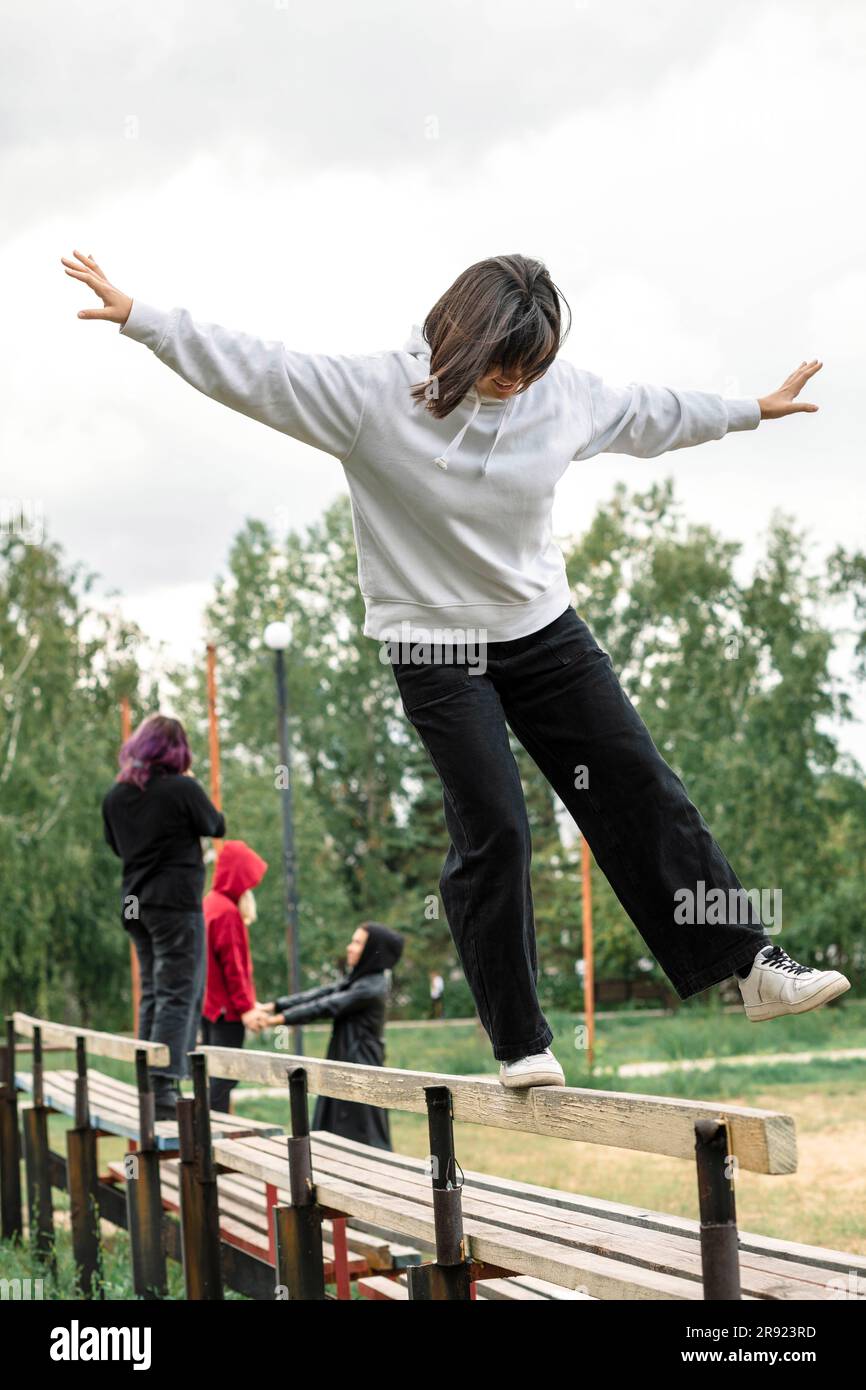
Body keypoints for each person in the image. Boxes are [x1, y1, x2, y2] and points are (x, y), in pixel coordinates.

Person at [69, 250, 850, 1091]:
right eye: (503, 366)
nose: (516, 383)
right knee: (496, 823)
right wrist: (142, 316)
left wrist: (747, 411)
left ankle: (748, 967)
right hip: (434, 643)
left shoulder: (564, 396)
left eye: (532, 367)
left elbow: (650, 413)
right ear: (460, 340)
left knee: (637, 778)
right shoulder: (372, 397)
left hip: (539, 625)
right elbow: (260, 369)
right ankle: (520, 1042)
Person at [102, 713, 225, 1118]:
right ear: (178, 752)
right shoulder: (182, 789)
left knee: (153, 992)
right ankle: (165, 1090)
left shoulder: (116, 796)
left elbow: (117, 847)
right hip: (174, 904)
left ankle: (149, 1085)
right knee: (178, 991)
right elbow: (216, 824)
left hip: (135, 904)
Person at [264, 922, 404, 1150]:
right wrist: (275, 1007)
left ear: (372, 950)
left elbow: (327, 1006)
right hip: (345, 1060)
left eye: (357, 943)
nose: (350, 948)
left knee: (361, 1137)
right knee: (334, 1131)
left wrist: (277, 1020)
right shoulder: (358, 981)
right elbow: (322, 994)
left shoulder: (370, 988)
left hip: (360, 1068)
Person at [201, 839, 271, 1112]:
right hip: (226, 1012)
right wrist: (245, 1008)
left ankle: (206, 1135)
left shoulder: (209, 904)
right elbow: (234, 967)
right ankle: (208, 1138)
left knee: (214, 1076)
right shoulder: (227, 913)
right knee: (224, 1078)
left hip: (209, 1009)